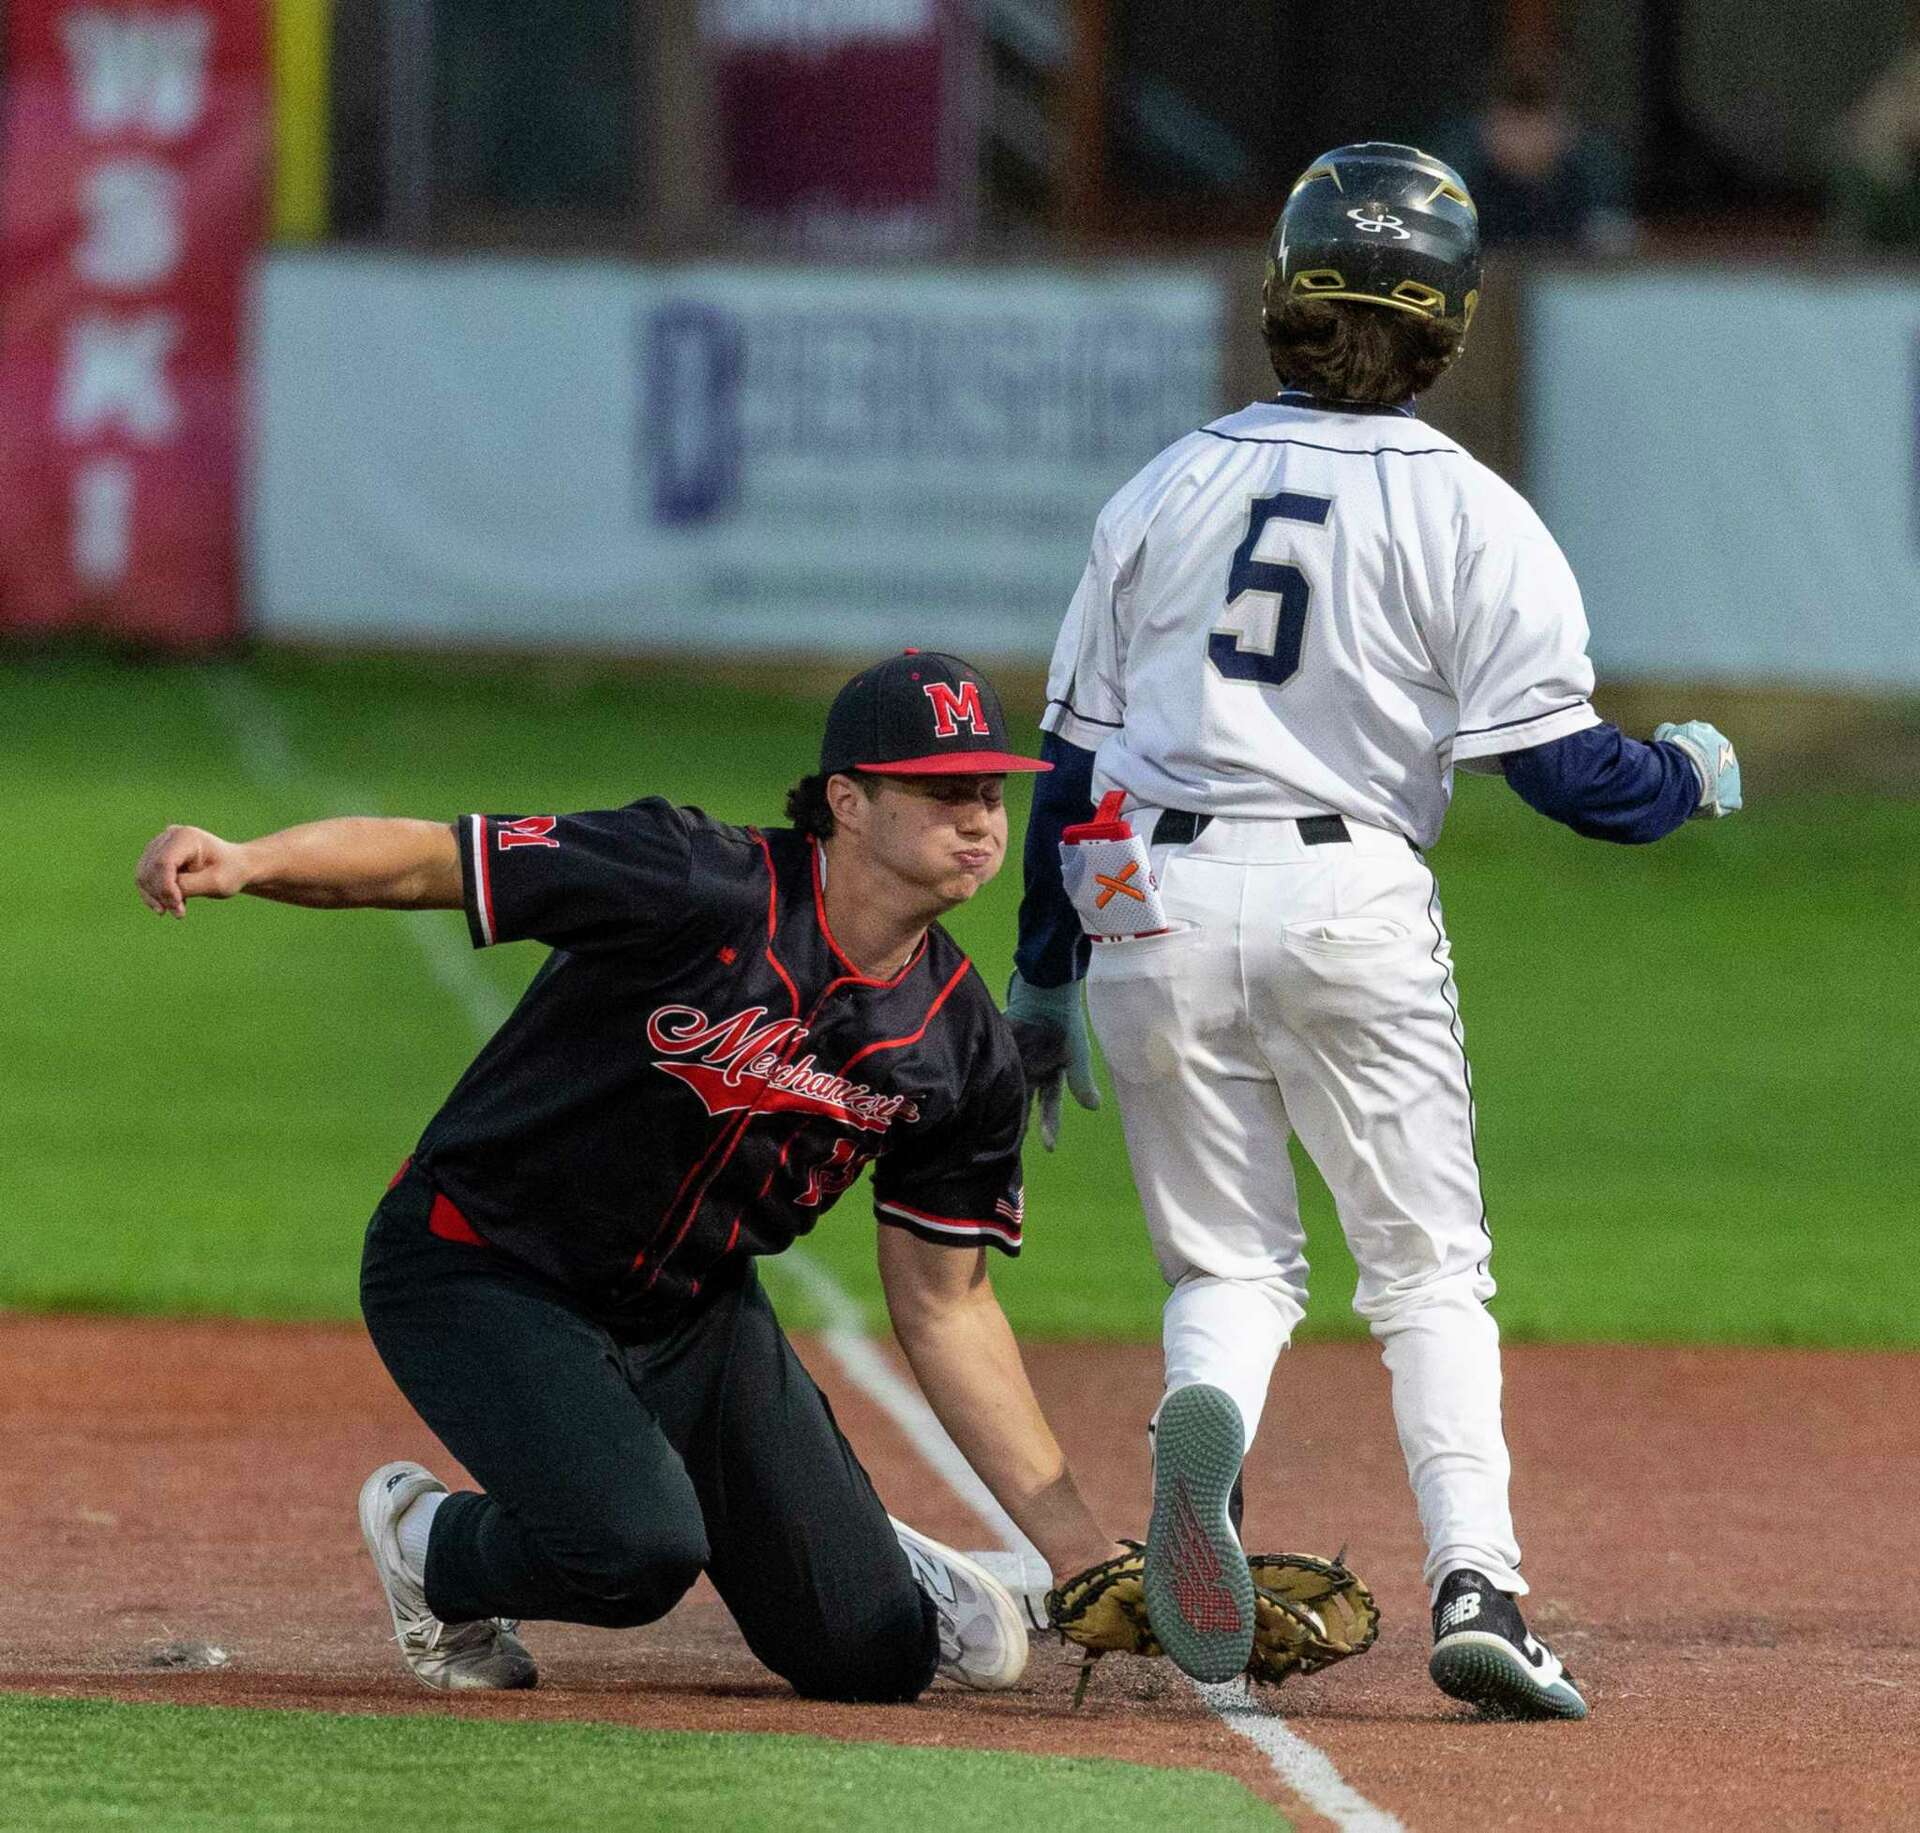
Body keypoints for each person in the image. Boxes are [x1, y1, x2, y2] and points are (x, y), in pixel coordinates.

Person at [1007, 143, 1740, 1720]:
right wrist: (1688, 776)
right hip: (1346, 893)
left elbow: (1070, 769)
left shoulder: (1167, 485)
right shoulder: (1472, 509)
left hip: (1147, 892)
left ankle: (1205, 1441)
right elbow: (1570, 778)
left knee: (1231, 1264)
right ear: (1449, 322)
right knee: (1423, 1275)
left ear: (1287, 292)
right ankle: (1480, 1587)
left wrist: (1041, 976)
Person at [135, 650, 1120, 1702]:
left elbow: (947, 1308)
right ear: (847, 800)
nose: (978, 820)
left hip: (691, 1315)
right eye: (940, 791)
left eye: (989, 792)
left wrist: (1084, 1557)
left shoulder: (962, 1047)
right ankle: (429, 1543)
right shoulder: (695, 880)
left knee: (873, 1659)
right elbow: (438, 859)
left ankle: (864, 1557)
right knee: (634, 1550)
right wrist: (250, 861)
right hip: (481, 1263)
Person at [1428, 45, 1633, 255]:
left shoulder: (1590, 167)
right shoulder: (1460, 167)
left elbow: (1613, 238)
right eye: (1516, 120)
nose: (1527, 138)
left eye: (1538, 120)